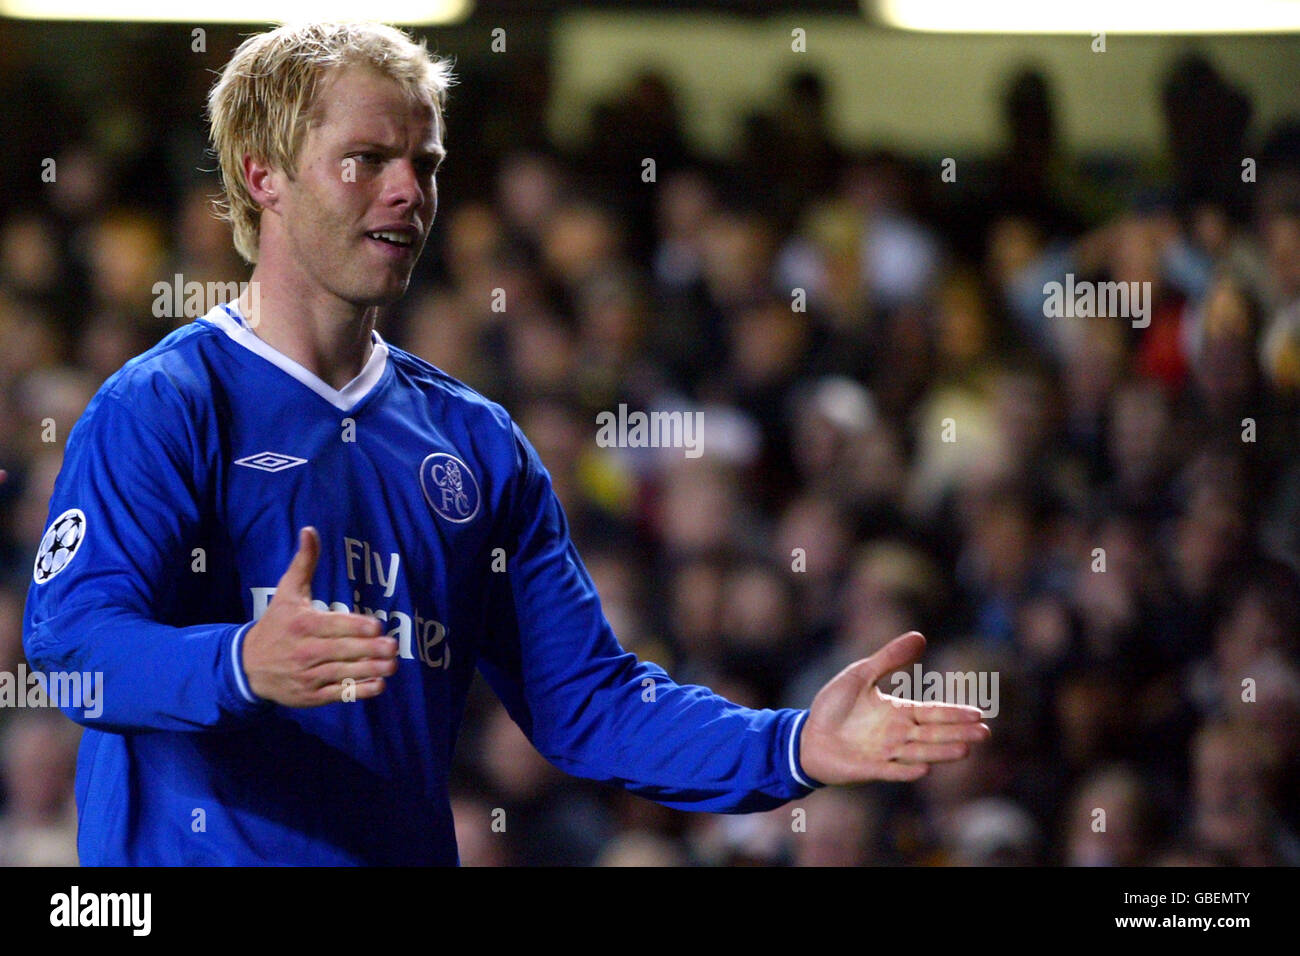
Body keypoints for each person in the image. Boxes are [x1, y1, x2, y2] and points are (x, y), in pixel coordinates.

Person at [22, 21, 989, 865]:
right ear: (260, 175)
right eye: (366, 159)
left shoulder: (477, 446)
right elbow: (70, 649)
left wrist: (789, 749)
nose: (408, 191)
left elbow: (593, 706)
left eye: (426, 164)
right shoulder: (163, 404)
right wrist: (237, 664)